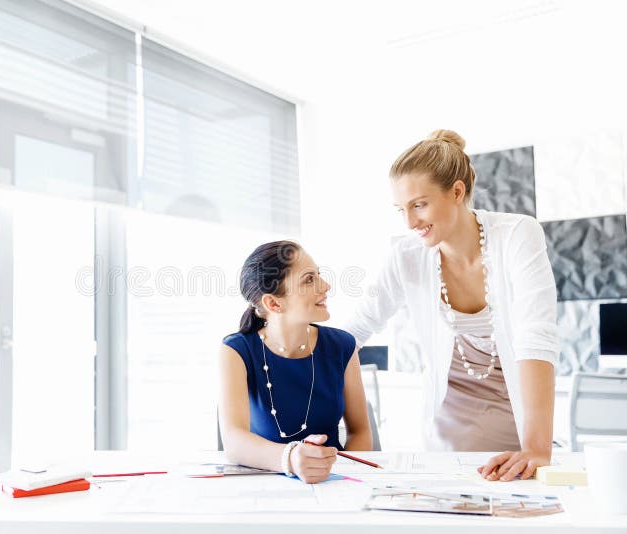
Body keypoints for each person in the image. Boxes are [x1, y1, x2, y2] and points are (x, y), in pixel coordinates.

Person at [345, 130, 558, 482]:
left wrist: (536, 449)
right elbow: (355, 330)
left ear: (457, 192)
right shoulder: (407, 256)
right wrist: (282, 344)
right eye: (401, 209)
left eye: (419, 204)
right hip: (445, 441)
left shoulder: (517, 234)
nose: (410, 222)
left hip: (519, 431)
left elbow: (536, 335)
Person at [219, 241, 373, 483]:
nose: (326, 286)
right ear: (274, 303)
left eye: (318, 275)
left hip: (330, 482)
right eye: (309, 280)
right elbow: (234, 441)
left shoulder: (343, 346)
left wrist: (336, 475)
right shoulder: (237, 351)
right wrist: (291, 459)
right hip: (266, 485)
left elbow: (360, 431)